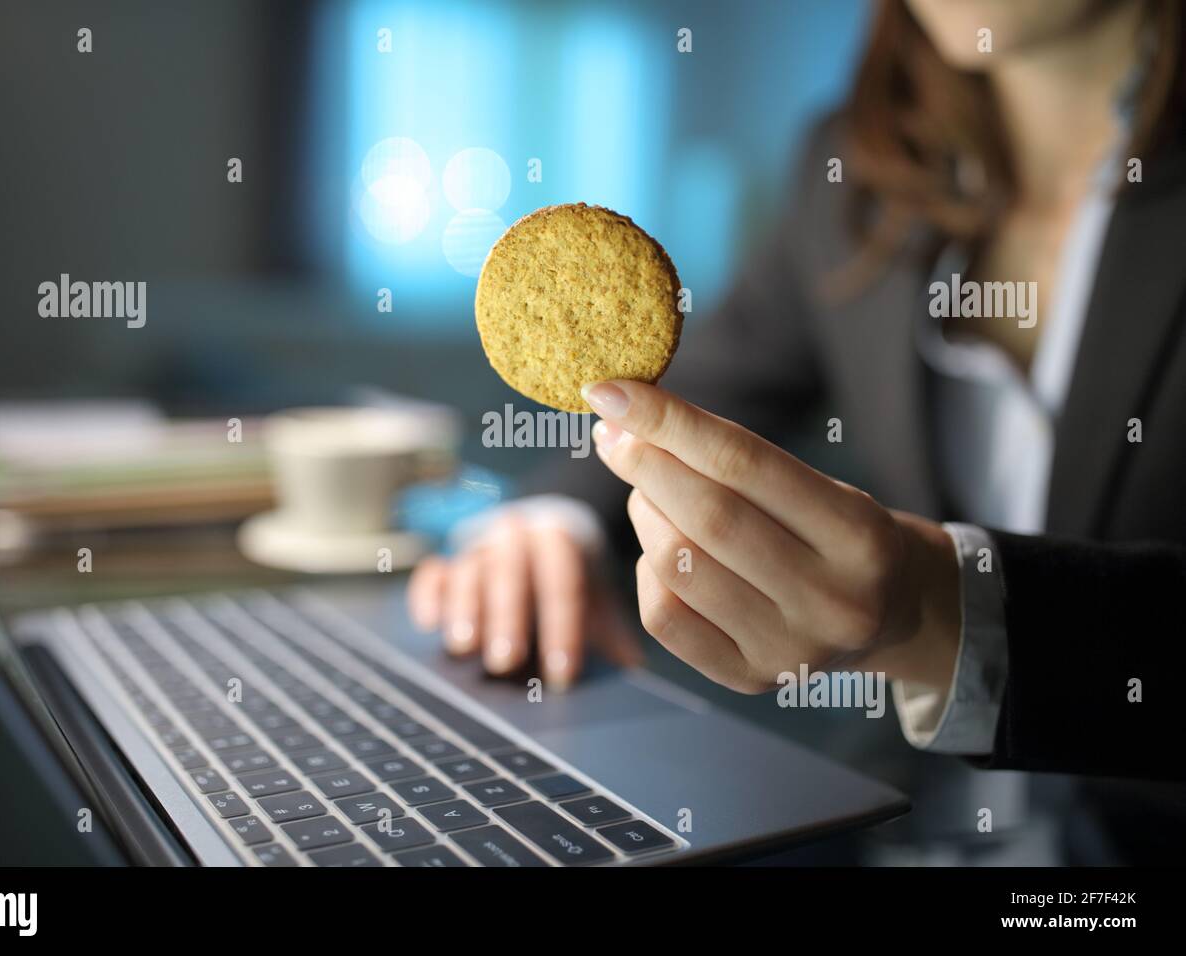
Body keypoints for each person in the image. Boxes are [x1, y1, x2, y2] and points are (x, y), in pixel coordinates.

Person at [408, 0, 1186, 859]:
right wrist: (551, 523)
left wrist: (943, 612)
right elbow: (720, 379)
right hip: (912, 813)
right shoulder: (853, 164)